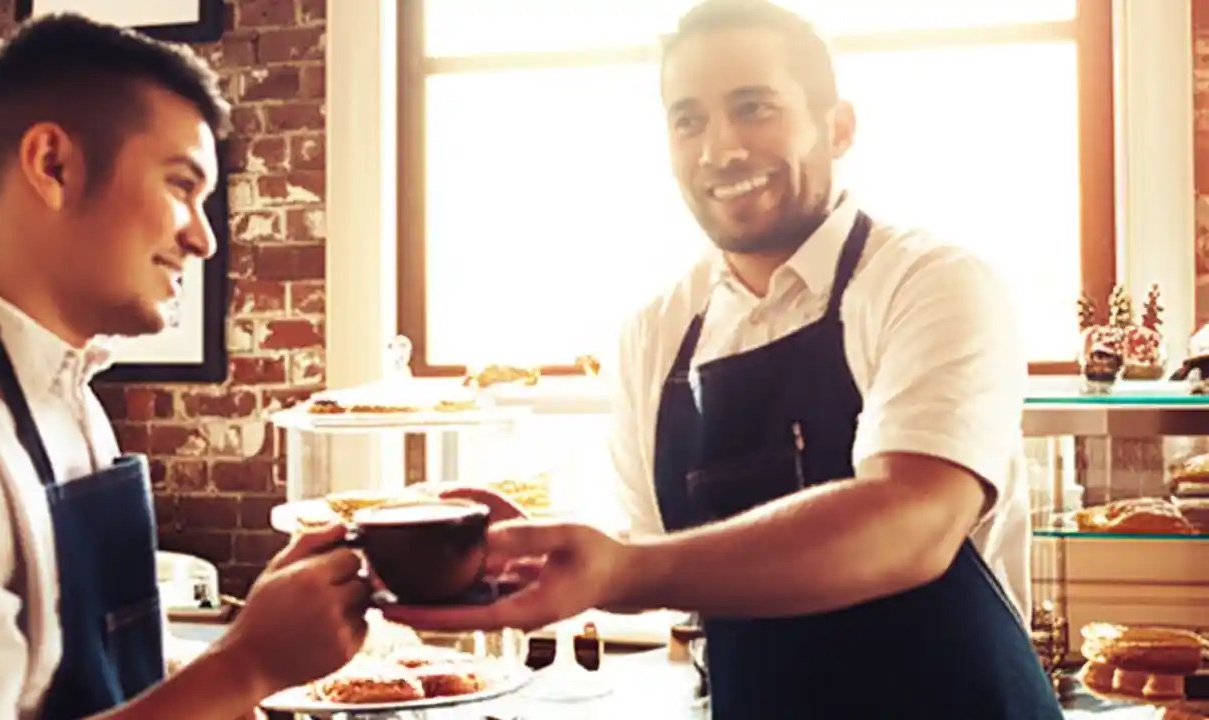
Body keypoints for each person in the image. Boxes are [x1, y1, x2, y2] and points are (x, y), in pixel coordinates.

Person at [385, 1, 1063, 718]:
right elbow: (661, 554)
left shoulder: (930, 281)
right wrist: (539, 556)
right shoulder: (655, 333)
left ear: (837, 127)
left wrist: (617, 569)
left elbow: (913, 523)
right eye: (689, 120)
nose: (720, 150)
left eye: (754, 108)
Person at [0, 15, 370, 719]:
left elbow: (93, 678)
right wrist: (247, 664)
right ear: (53, 166)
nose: (202, 237)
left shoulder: (65, 393)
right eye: (180, 186)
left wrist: (266, 641)